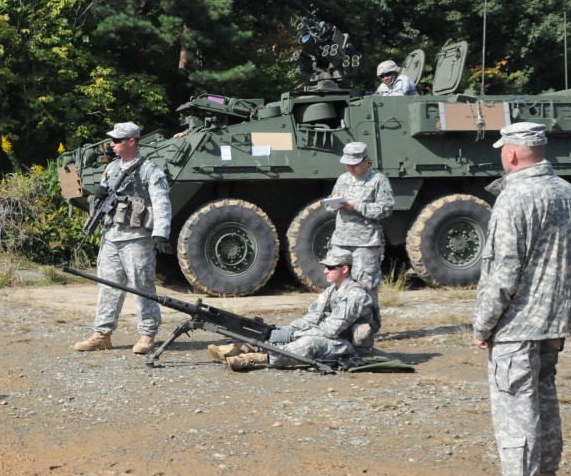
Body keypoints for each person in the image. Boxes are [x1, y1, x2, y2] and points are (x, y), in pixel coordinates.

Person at [465, 121, 571, 476]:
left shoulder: (515, 197)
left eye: (501, 150)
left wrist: (483, 325)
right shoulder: (569, 193)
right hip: (553, 321)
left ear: (511, 153)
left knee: (515, 402)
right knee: (544, 397)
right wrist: (562, 300)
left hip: (517, 324)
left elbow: (502, 271)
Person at [73, 122, 172, 356]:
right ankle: (102, 334)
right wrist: (98, 197)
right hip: (111, 236)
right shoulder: (112, 168)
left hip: (137, 238)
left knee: (142, 286)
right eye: (113, 140)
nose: (112, 144)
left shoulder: (150, 170)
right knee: (107, 285)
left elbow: (161, 202)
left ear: (131, 141)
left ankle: (148, 334)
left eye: (118, 140)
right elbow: (103, 195)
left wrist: (160, 233)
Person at [212, 249, 376, 371]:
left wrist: (292, 335)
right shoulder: (332, 291)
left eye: (331, 267)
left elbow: (330, 330)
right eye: (326, 266)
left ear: (345, 269)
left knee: (308, 342)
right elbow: (311, 317)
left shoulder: (355, 295)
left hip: (350, 349)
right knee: (286, 331)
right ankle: (246, 347)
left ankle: (259, 358)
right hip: (335, 340)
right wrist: (286, 330)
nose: (325, 270)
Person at [326, 141, 394, 311]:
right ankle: (340, 324)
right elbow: (329, 206)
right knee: (337, 285)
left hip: (365, 244)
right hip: (341, 241)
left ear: (366, 160)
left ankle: (366, 327)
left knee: (366, 285)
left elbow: (386, 208)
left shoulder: (378, 180)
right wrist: (333, 203)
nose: (351, 168)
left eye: (355, 164)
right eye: (347, 164)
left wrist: (357, 206)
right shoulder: (342, 179)